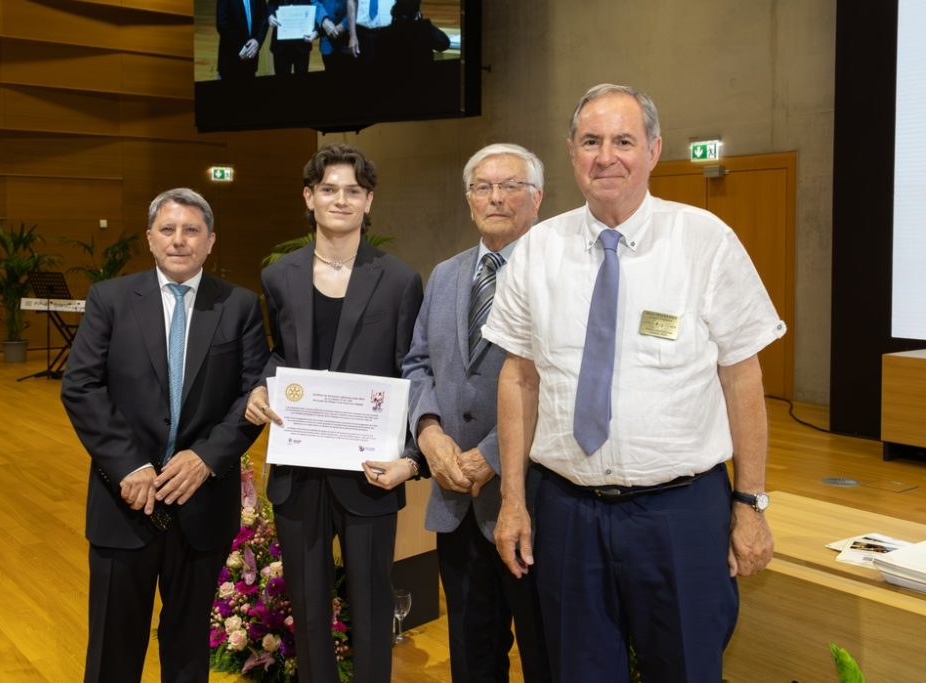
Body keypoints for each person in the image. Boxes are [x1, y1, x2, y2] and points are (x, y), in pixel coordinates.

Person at [484, 84, 787, 683]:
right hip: (566, 512)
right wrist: (513, 500)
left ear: (653, 150)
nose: (606, 157)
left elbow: (742, 377)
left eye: (623, 141)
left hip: (680, 513)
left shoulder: (705, 241)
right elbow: (518, 377)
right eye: (591, 141)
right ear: (571, 151)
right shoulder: (537, 250)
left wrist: (750, 503)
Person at [61, 188, 270, 682]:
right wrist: (128, 465)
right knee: (112, 647)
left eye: (192, 230)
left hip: (201, 503)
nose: (180, 240)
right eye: (168, 229)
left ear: (210, 241)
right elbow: (81, 386)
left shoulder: (239, 305)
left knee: (188, 648)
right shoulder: (110, 299)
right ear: (150, 239)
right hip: (124, 501)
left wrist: (206, 458)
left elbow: (254, 394)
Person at [244, 143, 424, 683]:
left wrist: (409, 456)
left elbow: (411, 371)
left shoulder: (399, 280)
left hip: (369, 471)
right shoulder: (279, 276)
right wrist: (261, 388)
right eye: (328, 189)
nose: (340, 199)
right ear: (309, 197)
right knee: (307, 608)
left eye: (353, 190)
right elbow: (277, 354)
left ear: (369, 201)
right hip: (299, 467)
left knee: (371, 608)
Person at [401, 143, 552, 683]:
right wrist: (429, 432)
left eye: (511, 186)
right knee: (471, 654)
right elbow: (418, 363)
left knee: (545, 652)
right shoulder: (445, 274)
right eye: (483, 187)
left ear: (537, 196)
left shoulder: (560, 271)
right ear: (469, 200)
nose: (496, 198)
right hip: (455, 500)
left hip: (531, 499)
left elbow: (564, 379)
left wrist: (491, 455)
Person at [217, 0, 270, 80]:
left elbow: (264, 17)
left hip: (251, 56)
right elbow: (222, 24)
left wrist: (258, 40)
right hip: (230, 58)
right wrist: (242, 47)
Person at [268, 1, 318, 76]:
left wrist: (316, 30)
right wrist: (270, 15)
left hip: (302, 43)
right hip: (280, 45)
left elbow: (315, 4)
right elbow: (271, 4)